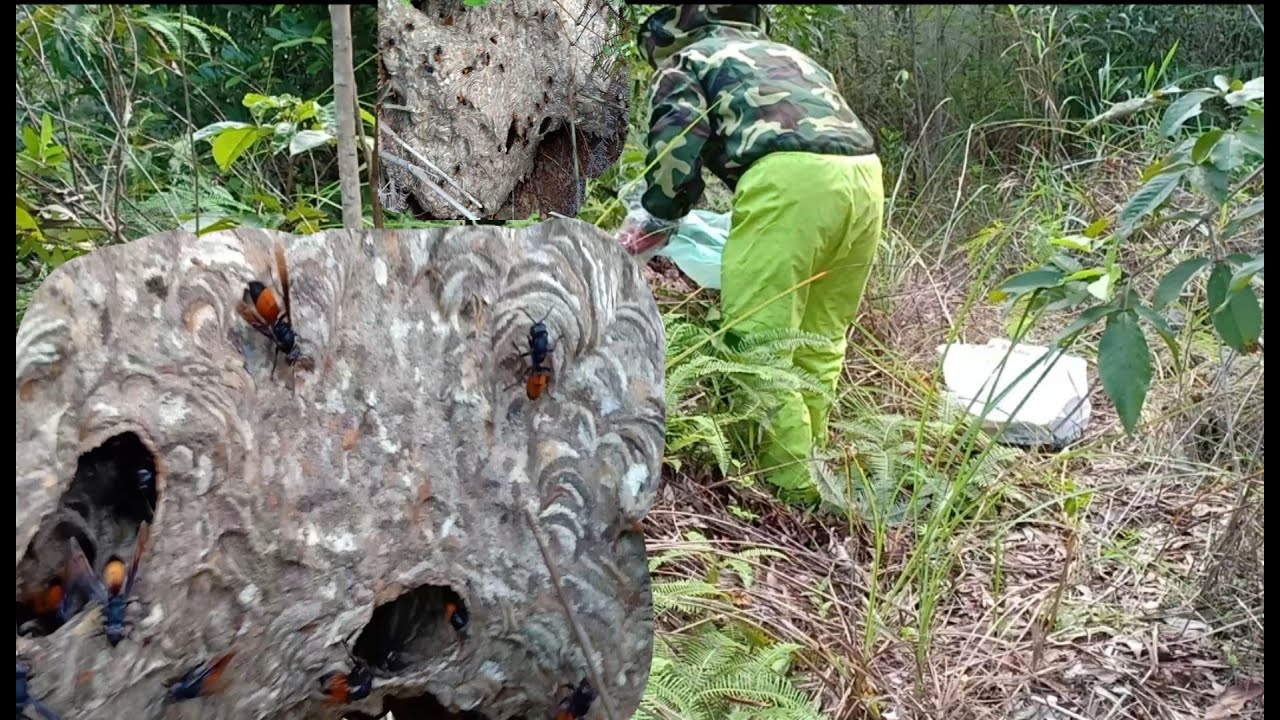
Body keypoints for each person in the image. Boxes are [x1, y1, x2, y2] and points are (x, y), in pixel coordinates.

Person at [617, 4, 884, 502]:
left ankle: (785, 489)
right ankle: (815, 460)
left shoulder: (689, 60)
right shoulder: (787, 54)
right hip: (865, 176)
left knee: (758, 342)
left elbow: (675, 152)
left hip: (789, 181)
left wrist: (654, 218)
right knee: (819, 333)